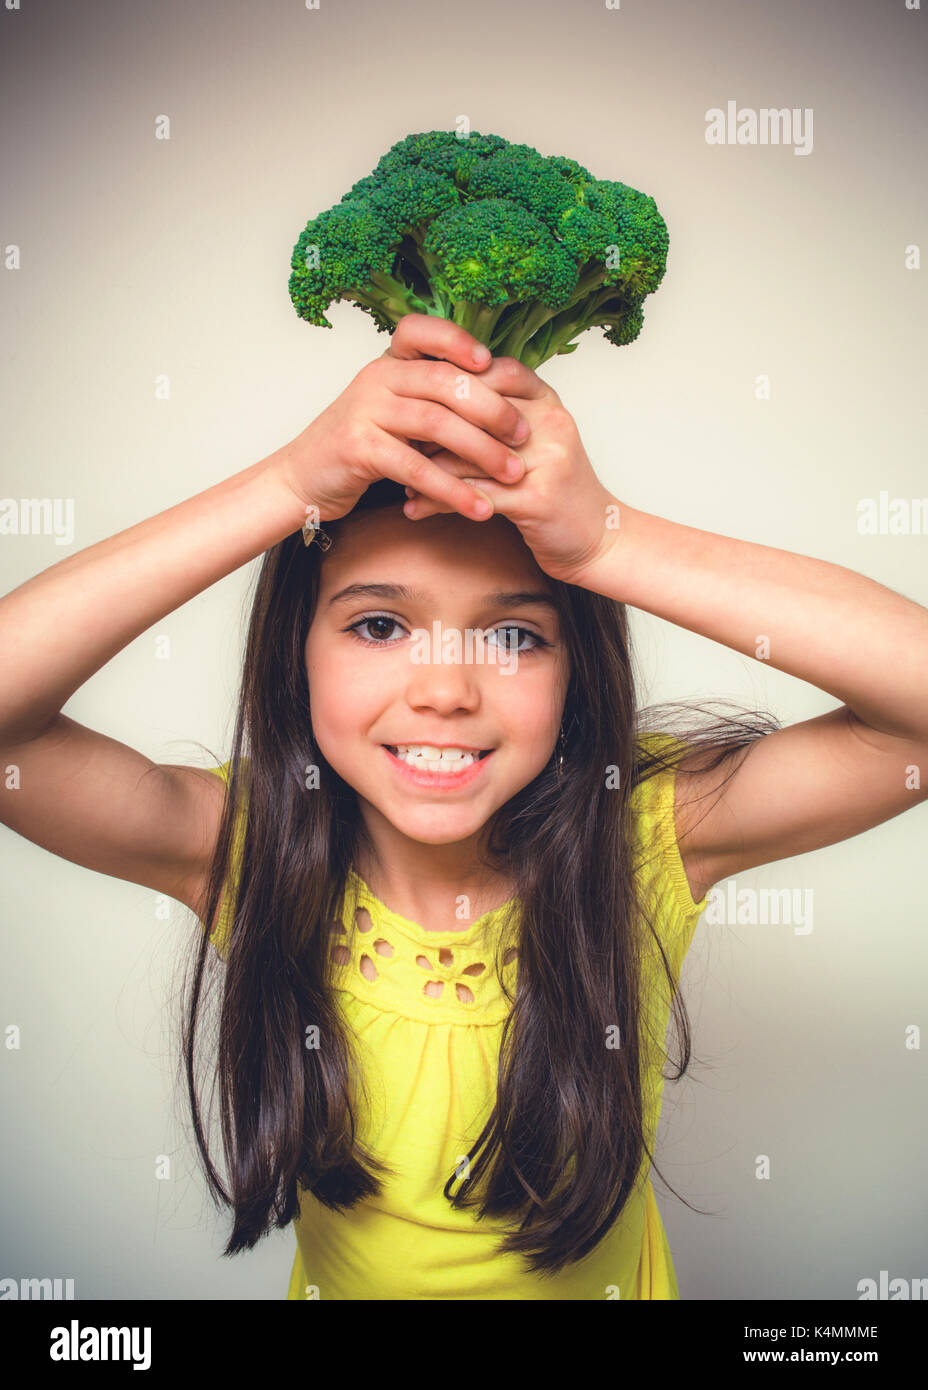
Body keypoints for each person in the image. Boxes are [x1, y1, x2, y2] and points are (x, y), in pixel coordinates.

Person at [1, 313, 925, 1299]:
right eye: (379, 624)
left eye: (515, 636)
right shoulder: (244, 848)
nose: (444, 689)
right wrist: (285, 488)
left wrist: (608, 538)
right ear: (295, 654)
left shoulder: (643, 836)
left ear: (579, 670)